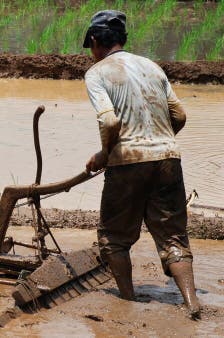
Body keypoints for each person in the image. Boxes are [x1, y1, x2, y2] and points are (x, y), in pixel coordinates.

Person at [82, 10, 201, 319]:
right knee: (173, 237)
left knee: (114, 238)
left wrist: (104, 156)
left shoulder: (97, 73)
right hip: (168, 159)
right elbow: (180, 115)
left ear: (95, 41)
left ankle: (127, 302)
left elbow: (109, 120)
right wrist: (158, 142)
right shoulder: (153, 67)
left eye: (90, 46)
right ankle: (192, 304)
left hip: (127, 163)